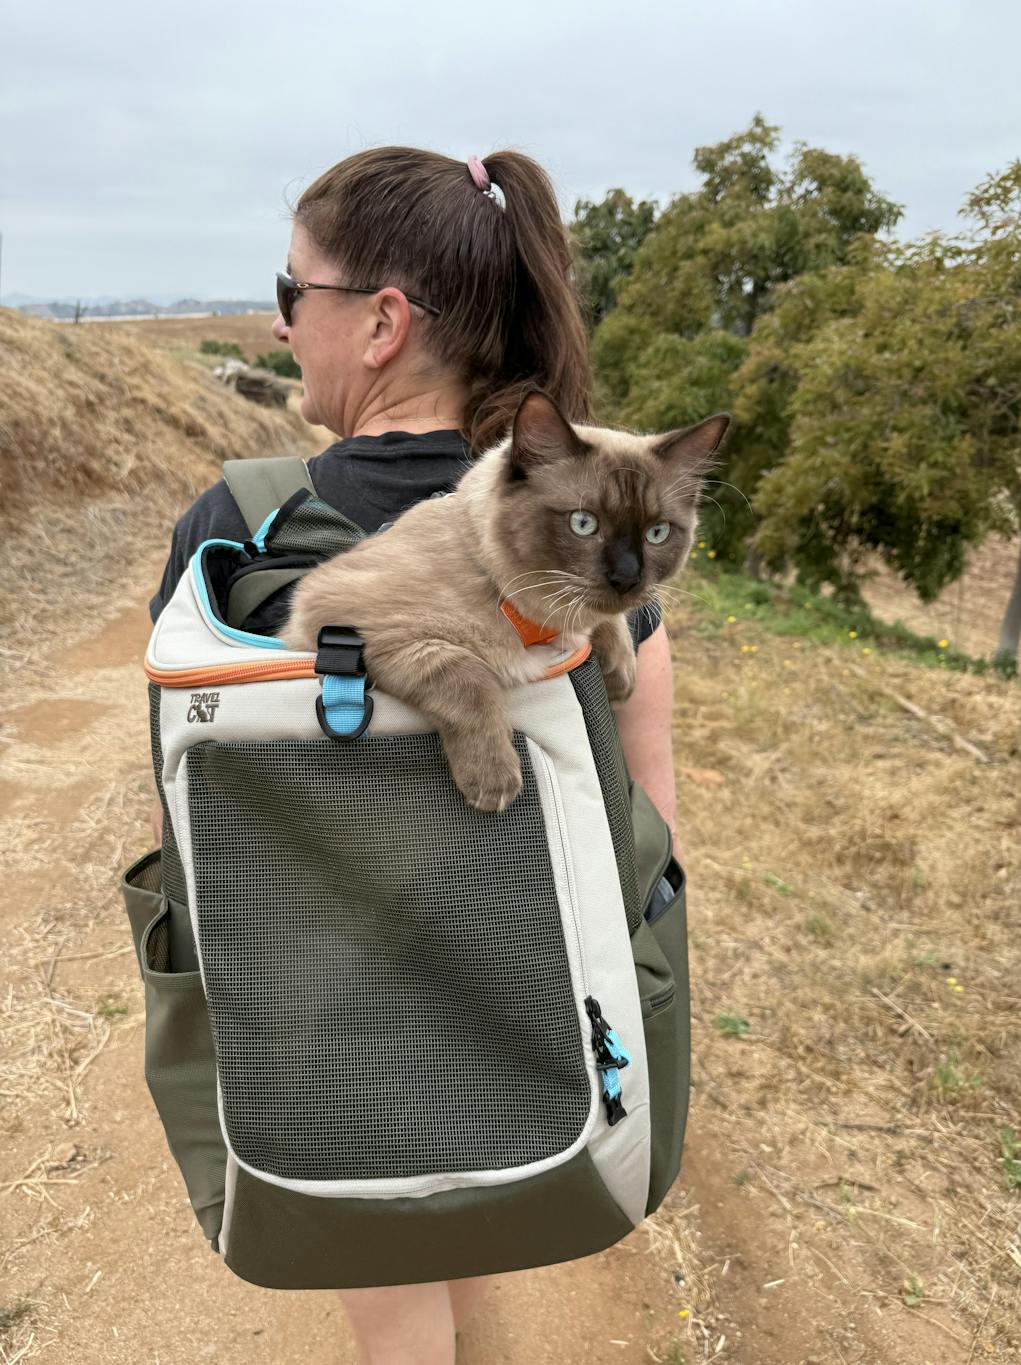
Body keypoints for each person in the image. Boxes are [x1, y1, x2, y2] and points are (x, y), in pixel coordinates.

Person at [147, 146, 678, 1365]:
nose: (284, 329)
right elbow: (646, 797)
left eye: (294, 294)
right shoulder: (600, 520)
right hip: (532, 998)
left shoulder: (244, 523)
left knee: (389, 1292)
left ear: (380, 322)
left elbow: (189, 808)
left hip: (326, 1008)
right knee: (492, 1187)